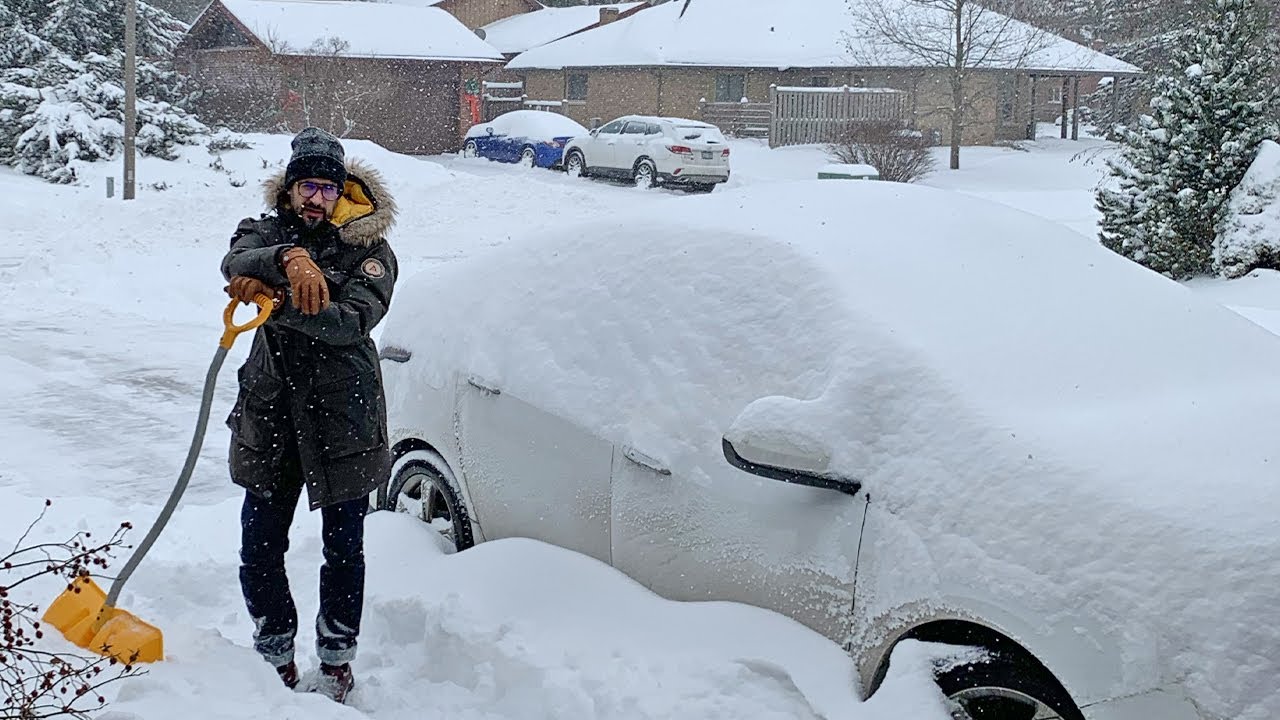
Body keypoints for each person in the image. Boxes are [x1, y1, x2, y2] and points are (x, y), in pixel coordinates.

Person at [220, 127, 398, 703]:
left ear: (342, 191)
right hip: (271, 414)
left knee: (344, 549)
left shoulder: (369, 250)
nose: (316, 198)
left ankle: (337, 657)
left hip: (343, 418)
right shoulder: (267, 230)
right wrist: (286, 258)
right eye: (306, 187)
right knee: (259, 545)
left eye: (327, 187)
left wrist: (274, 300)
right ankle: (274, 653)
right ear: (291, 190)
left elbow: (350, 322)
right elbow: (235, 254)